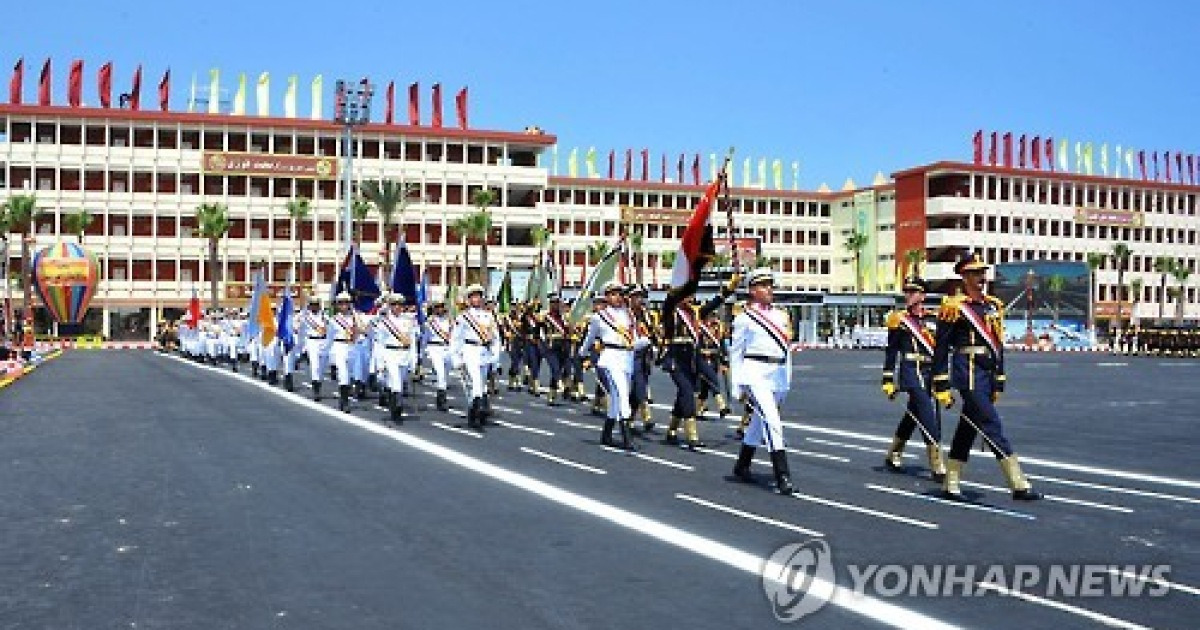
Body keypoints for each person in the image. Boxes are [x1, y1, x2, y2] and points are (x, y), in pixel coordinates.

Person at [932, 252, 1043, 501]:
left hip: (986, 373)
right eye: (975, 273)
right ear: (964, 277)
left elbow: (998, 344)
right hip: (967, 373)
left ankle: (950, 482)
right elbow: (941, 347)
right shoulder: (954, 307)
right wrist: (941, 382)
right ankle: (1018, 483)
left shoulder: (992, 306)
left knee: (967, 429)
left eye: (983, 272)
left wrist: (999, 377)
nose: (981, 277)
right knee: (991, 424)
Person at [730, 268, 796, 495]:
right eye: (764, 285)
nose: (770, 289)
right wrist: (736, 384)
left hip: (776, 372)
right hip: (755, 371)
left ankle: (742, 465)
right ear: (752, 290)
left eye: (771, 284)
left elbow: (786, 350)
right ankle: (782, 475)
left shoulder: (781, 316)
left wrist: (786, 381)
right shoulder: (743, 318)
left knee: (758, 424)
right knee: (772, 420)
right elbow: (736, 353)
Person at [881, 276, 946, 481]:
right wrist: (888, 379)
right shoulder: (898, 320)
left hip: (929, 370)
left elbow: (941, 350)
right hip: (910, 370)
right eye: (906, 291)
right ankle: (937, 464)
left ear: (922, 296)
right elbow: (891, 352)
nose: (908, 295)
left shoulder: (934, 319)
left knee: (914, 414)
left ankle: (894, 453)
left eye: (913, 292)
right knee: (928, 414)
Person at [578, 281, 649, 450]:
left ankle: (606, 435)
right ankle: (627, 439)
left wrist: (644, 342)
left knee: (616, 399)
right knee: (623, 394)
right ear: (607, 297)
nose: (617, 297)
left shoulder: (629, 315)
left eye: (619, 293)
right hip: (610, 358)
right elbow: (589, 338)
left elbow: (634, 340)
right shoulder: (600, 317)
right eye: (613, 294)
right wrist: (582, 354)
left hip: (627, 358)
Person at [450, 284, 502, 430]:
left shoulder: (489, 316)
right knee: (476, 384)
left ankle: (474, 413)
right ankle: (477, 413)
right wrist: (456, 358)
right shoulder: (463, 317)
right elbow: (456, 339)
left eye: (478, 296)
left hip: (484, 353)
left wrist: (496, 359)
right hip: (470, 351)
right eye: (473, 296)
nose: (476, 299)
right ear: (469, 299)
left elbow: (496, 339)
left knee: (481, 385)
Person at [374, 293, 419, 423]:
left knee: (399, 382)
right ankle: (397, 411)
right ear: (389, 306)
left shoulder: (409, 322)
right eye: (394, 304)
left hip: (404, 355)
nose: (397, 307)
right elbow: (379, 344)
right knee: (396, 383)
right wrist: (380, 363)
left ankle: (394, 405)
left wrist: (414, 362)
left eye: (400, 304)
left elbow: (412, 344)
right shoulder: (384, 323)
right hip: (390, 354)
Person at [327, 292, 365, 412]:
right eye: (341, 303)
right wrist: (327, 353)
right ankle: (345, 401)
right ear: (338, 305)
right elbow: (329, 337)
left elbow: (362, 330)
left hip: (352, 347)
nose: (344, 305)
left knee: (350, 375)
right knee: (343, 374)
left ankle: (343, 397)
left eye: (346, 302)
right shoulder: (333, 320)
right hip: (339, 346)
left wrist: (356, 316)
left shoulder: (356, 317)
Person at [541, 294, 573, 405]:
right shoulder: (546, 317)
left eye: (557, 303)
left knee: (560, 370)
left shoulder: (565, 318)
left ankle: (551, 396)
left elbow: (569, 331)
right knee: (555, 369)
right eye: (553, 303)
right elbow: (539, 332)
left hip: (563, 347)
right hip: (551, 347)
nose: (556, 305)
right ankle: (562, 388)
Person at [424, 298, 454, 411]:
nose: (440, 309)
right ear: (434, 309)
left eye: (442, 306)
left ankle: (440, 396)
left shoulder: (449, 321)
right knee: (441, 374)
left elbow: (453, 337)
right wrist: (420, 355)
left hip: (447, 349)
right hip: (434, 348)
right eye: (437, 307)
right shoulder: (430, 322)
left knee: (445, 376)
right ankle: (442, 401)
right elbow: (425, 339)